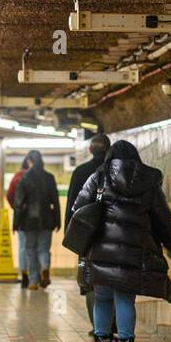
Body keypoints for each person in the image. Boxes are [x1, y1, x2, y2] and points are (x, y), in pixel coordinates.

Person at [70, 139, 171, 342]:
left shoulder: (98, 177)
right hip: (134, 253)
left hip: (101, 249)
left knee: (102, 299)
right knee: (125, 299)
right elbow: (163, 219)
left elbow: (78, 207)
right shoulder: (149, 183)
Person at [65, 134, 112, 331]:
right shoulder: (117, 172)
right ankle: (113, 324)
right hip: (113, 234)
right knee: (113, 279)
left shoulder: (81, 171)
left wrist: (69, 231)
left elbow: (72, 206)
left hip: (87, 236)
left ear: (91, 150)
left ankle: (98, 326)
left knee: (89, 279)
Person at [14, 150, 61, 289]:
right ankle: (45, 268)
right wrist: (58, 220)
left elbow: (18, 203)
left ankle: (33, 282)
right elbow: (55, 201)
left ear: (29, 161)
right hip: (47, 220)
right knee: (44, 249)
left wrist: (16, 223)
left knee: (31, 250)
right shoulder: (49, 177)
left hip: (28, 221)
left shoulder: (24, 178)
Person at [6, 155, 31, 288]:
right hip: (38, 220)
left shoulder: (17, 176)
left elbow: (9, 195)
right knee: (36, 248)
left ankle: (24, 275)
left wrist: (16, 208)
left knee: (23, 247)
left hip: (21, 217)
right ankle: (35, 276)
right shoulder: (41, 176)